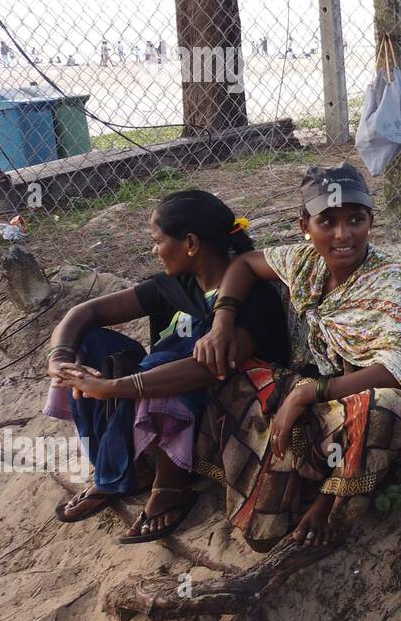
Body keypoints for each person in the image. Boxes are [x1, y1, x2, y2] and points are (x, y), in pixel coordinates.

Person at [191, 164, 401, 551]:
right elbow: (242, 264)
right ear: (305, 226)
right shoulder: (304, 263)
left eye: (355, 220)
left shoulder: (397, 278)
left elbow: (398, 370)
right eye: (328, 221)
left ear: (371, 222)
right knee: (241, 377)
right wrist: (222, 320)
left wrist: (309, 392)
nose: (343, 235)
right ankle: (279, 493)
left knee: (383, 407)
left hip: (363, 402)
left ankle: (330, 501)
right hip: (315, 399)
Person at [45, 191, 290, 540]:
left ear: (190, 242)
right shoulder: (172, 287)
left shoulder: (253, 297)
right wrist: (61, 358)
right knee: (89, 345)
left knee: (163, 364)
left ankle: (171, 487)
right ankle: (116, 471)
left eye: (158, 241)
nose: (154, 251)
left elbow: (209, 369)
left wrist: (115, 387)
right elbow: (86, 313)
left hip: (219, 399)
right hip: (155, 387)